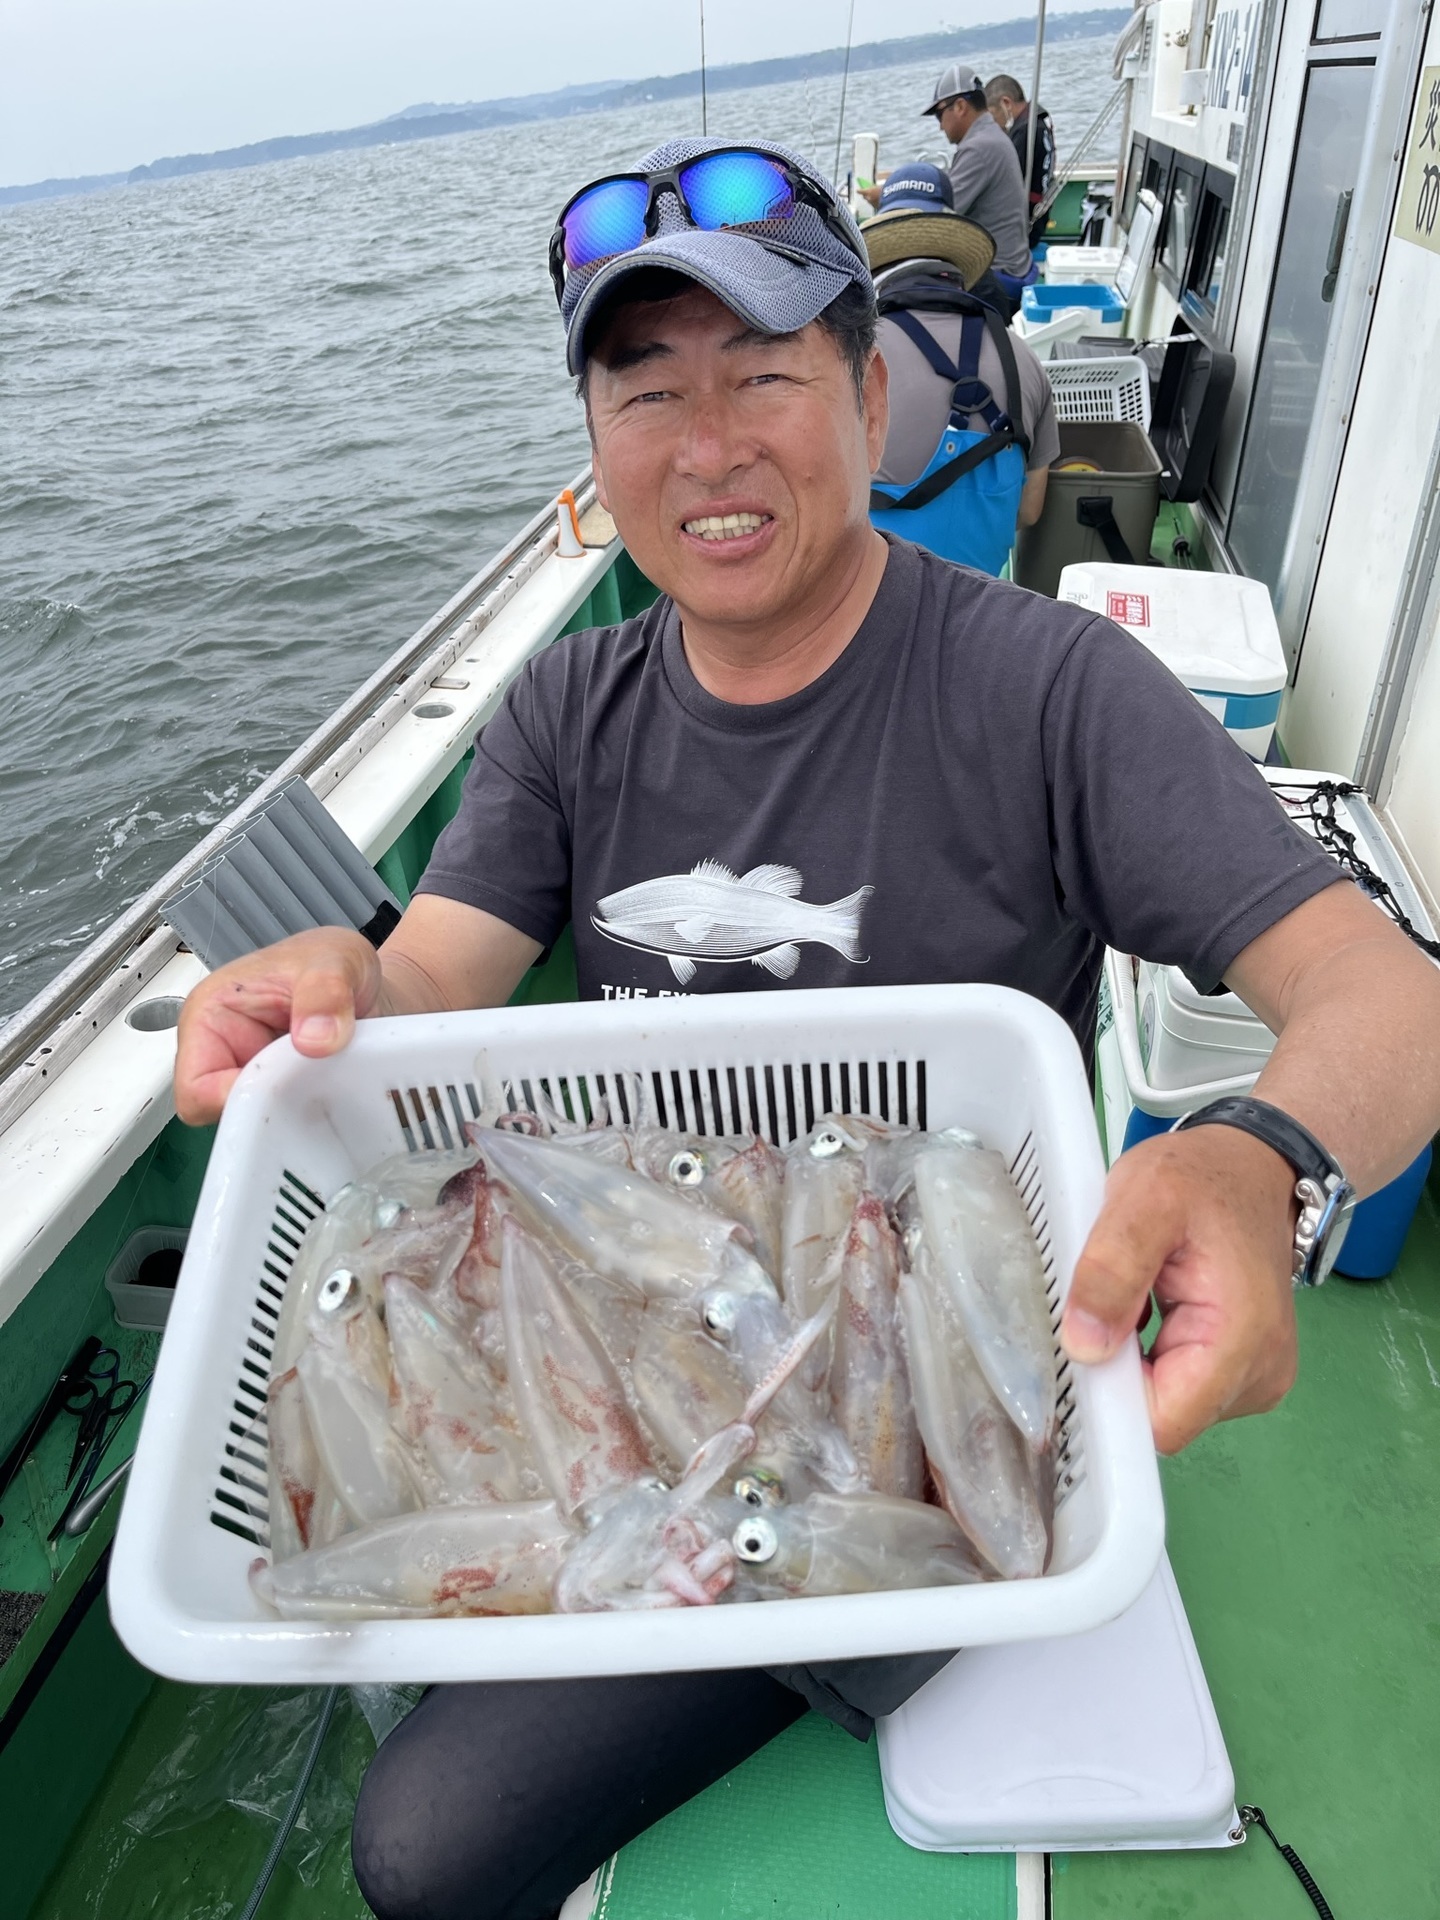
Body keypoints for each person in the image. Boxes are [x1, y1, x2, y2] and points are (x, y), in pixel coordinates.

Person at [173, 135, 1440, 1920]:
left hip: (909, 1397)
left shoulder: (1044, 689)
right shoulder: (567, 705)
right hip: (663, 1324)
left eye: (765, 376)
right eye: (647, 391)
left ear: (866, 395)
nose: (707, 447)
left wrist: (1263, 1160)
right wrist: (329, 980)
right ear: (596, 445)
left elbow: (1389, 994)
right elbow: (431, 983)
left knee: (426, 1850)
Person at [862, 162, 1059, 570]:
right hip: (982, 613)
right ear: (951, 265)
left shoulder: (850, 353)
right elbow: (1030, 511)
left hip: (872, 612)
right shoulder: (1023, 357)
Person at [923, 61, 1034, 315]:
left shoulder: (978, 148)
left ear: (960, 106)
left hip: (999, 275)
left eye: (940, 114)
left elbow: (942, 216)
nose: (940, 125)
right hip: (1017, 263)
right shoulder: (993, 136)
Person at [986, 73, 1056, 252]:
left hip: (1026, 228)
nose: (993, 123)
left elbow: (1006, 182)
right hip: (1038, 217)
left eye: (993, 115)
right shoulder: (1038, 121)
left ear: (1006, 103)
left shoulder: (1026, 132)